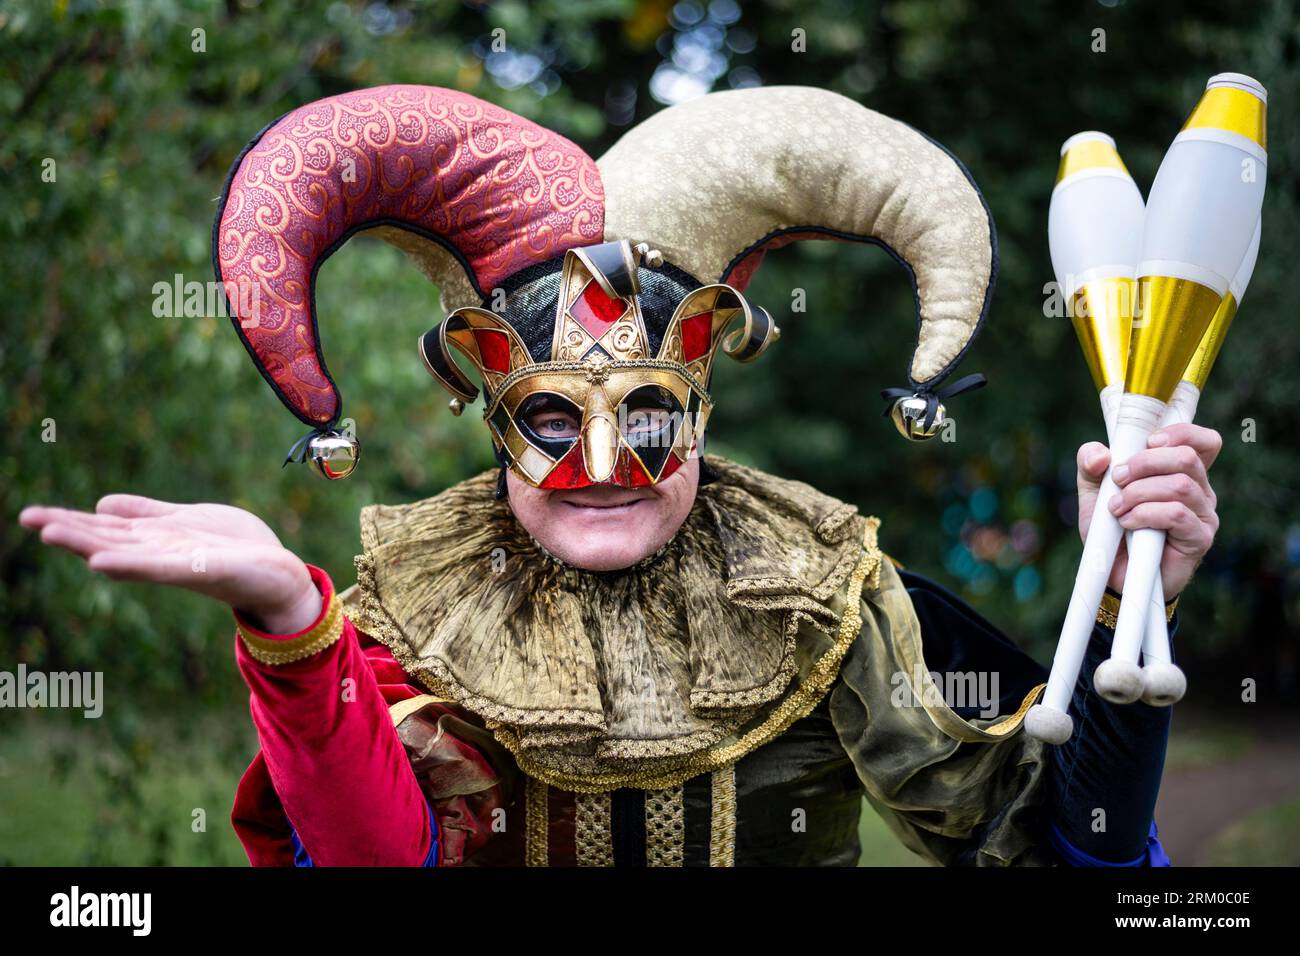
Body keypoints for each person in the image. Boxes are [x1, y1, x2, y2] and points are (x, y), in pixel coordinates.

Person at [20, 84, 1221, 867]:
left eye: (646, 418)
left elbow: (1070, 852)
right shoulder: (414, 610)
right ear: (490, 404)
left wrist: (1126, 593)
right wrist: (291, 628)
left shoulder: (817, 595)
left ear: (701, 398)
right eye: (550, 417)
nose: (601, 467)